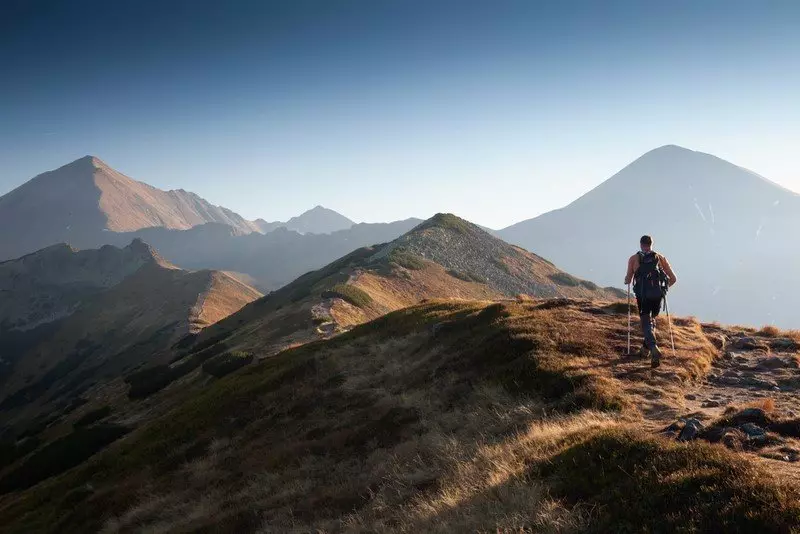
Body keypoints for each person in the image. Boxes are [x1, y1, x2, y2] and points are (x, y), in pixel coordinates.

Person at [624, 235, 677, 368]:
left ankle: (653, 348)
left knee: (645, 322)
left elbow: (628, 279)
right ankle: (645, 351)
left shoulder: (634, 258)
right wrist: (663, 290)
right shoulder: (660, 258)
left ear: (641, 244)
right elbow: (673, 279)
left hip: (643, 296)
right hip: (657, 296)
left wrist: (628, 279)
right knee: (652, 321)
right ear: (652, 244)